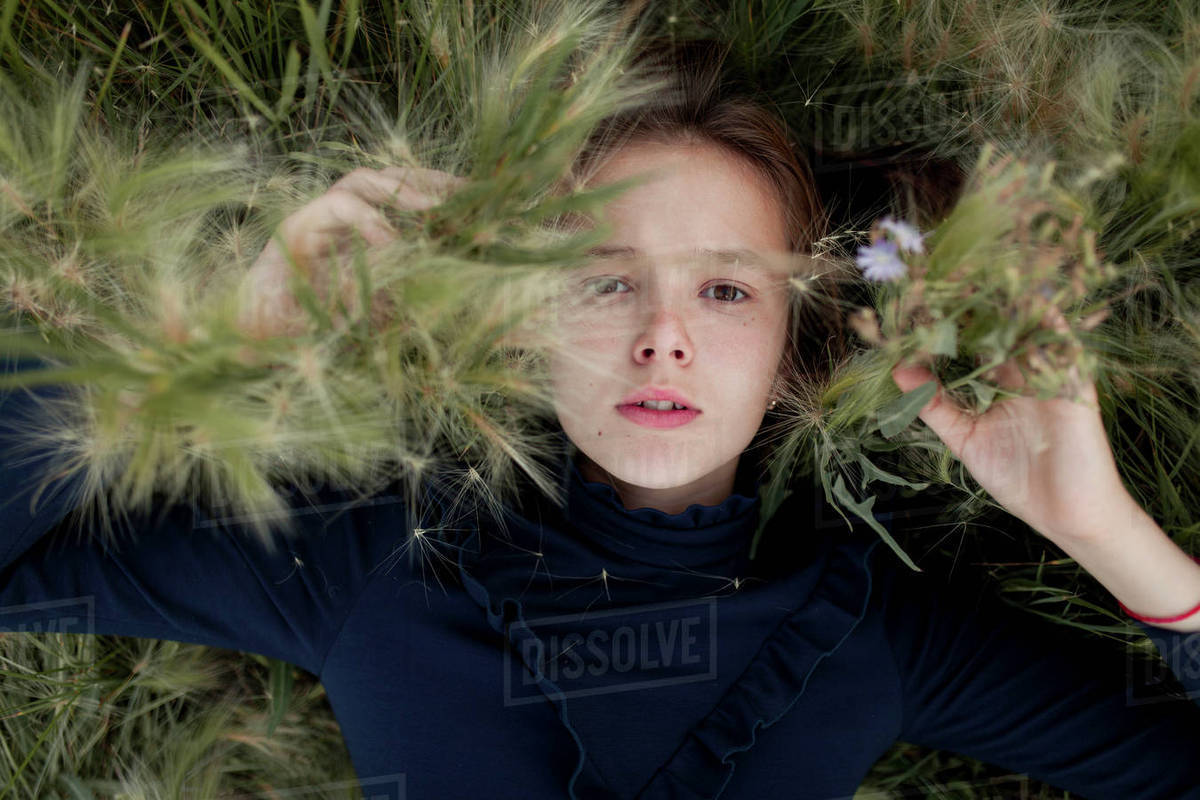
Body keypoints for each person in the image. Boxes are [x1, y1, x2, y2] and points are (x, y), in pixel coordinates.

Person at [3, 42, 1200, 800]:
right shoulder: (369, 555)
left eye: (726, 287)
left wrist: (1106, 532)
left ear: (799, 337)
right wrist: (211, 343)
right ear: (517, 318)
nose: (662, 333)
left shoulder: (878, 629)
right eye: (600, 276)